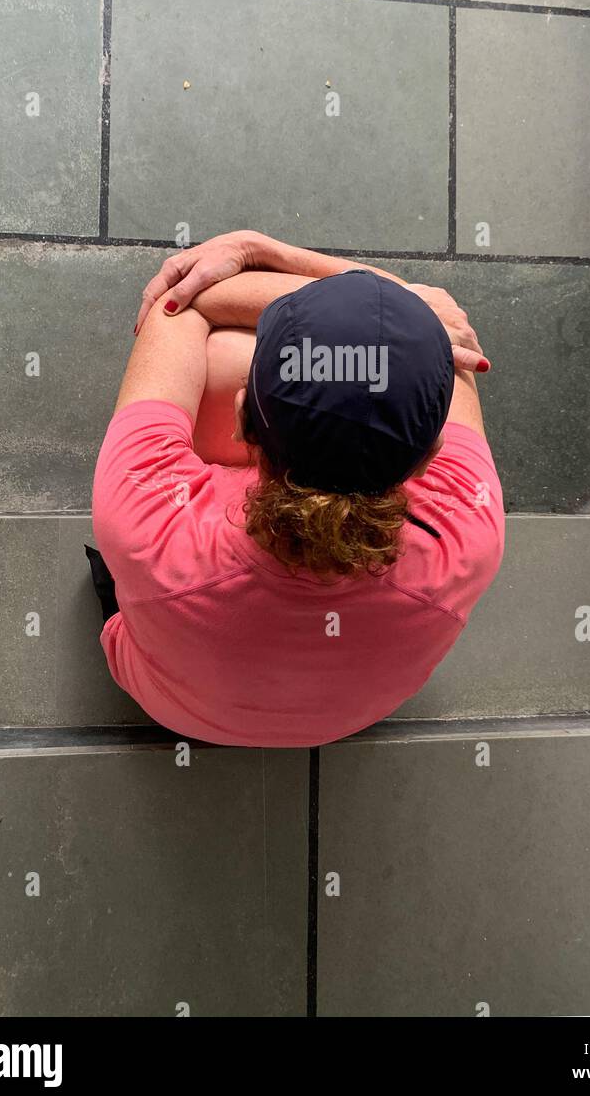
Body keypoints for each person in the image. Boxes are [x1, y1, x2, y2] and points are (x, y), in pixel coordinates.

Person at [90, 230, 505, 746]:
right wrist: (410, 309)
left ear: (243, 419)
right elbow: (433, 322)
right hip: (346, 717)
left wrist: (257, 251)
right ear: (431, 456)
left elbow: (183, 305)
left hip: (172, 706)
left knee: (221, 353)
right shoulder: (467, 527)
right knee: (388, 372)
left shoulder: (145, 520)